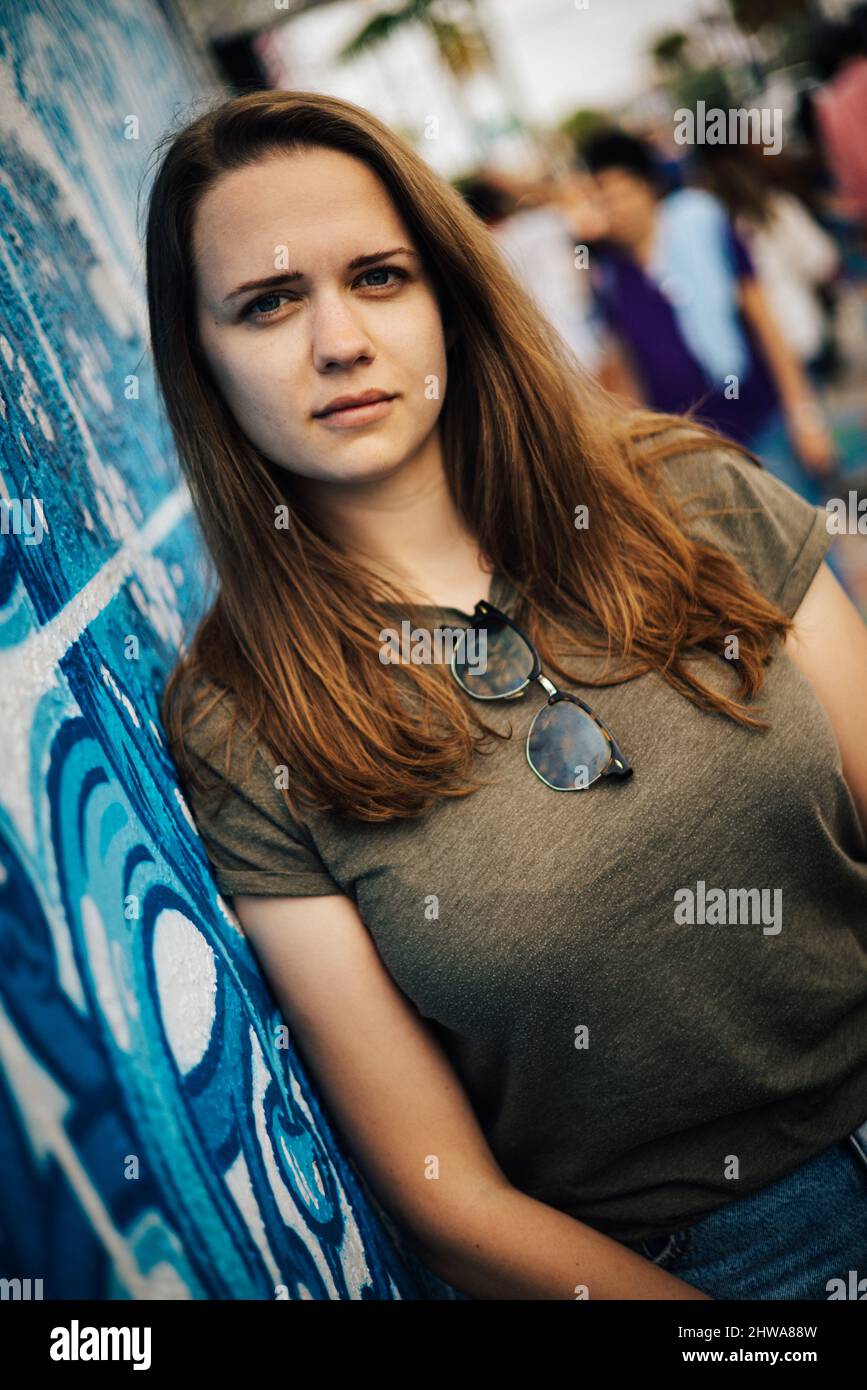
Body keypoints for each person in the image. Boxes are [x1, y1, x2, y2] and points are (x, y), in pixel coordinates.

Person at [146, 90, 867, 1301]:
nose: (337, 340)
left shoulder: (689, 496)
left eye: (378, 277)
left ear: (448, 295)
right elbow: (447, 1198)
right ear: (202, 356)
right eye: (268, 302)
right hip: (718, 1273)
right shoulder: (240, 720)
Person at [579, 129, 838, 497]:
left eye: (617, 193)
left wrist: (805, 416)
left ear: (645, 187)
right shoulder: (611, 277)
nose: (611, 208)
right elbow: (629, 372)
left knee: (810, 537)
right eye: (600, 198)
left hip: (763, 423)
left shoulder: (701, 227)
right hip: (692, 455)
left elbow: (765, 323)